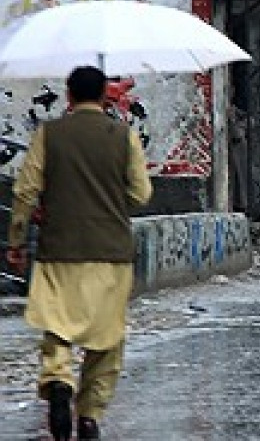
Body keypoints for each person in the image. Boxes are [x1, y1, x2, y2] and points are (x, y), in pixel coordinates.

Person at [4, 66, 153, 441]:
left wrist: (17, 241)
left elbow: (25, 192)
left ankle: (58, 382)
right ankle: (88, 414)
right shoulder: (124, 136)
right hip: (111, 253)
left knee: (57, 327)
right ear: (106, 94)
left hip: (59, 250)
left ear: (68, 96)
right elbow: (140, 193)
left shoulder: (48, 135)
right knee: (106, 340)